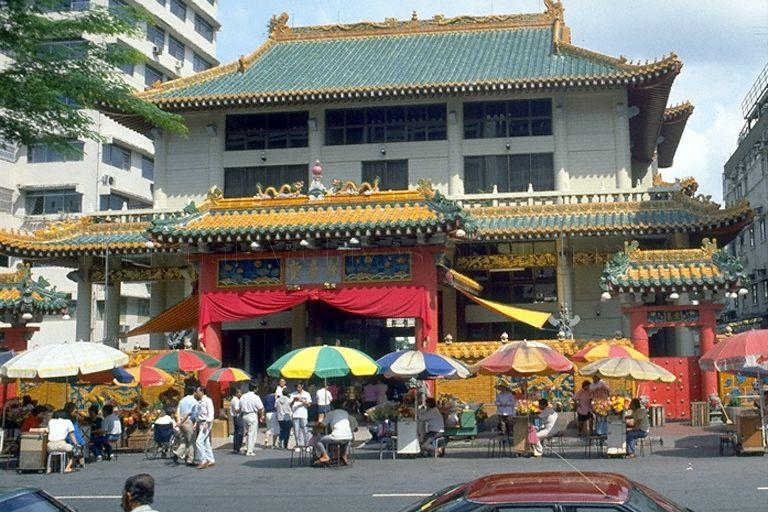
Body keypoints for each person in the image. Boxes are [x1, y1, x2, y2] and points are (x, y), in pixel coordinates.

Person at [314, 400, 354, 465]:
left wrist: (317, 424)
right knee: (347, 440)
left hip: (337, 436)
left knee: (318, 440)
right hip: (349, 436)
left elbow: (322, 425)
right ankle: (344, 456)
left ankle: (325, 456)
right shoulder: (345, 412)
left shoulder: (330, 413)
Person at [174, 386, 198, 464]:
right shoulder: (194, 401)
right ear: (194, 392)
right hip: (189, 421)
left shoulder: (182, 400)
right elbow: (194, 414)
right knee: (191, 441)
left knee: (185, 440)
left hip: (181, 421)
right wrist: (195, 424)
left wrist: (179, 422)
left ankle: (178, 454)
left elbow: (177, 411)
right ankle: (190, 460)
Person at [193, 386, 215, 469]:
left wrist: (208, 422)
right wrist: (196, 423)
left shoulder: (207, 400)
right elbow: (198, 414)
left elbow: (211, 412)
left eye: (198, 391)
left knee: (198, 441)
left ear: (202, 392)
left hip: (206, 423)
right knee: (206, 442)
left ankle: (203, 460)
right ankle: (211, 459)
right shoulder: (199, 402)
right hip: (201, 422)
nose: (196, 393)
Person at [240, 383, 264, 455]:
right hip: (252, 414)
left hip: (244, 415)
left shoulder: (243, 396)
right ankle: (250, 450)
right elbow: (260, 407)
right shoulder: (255, 397)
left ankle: (247, 447)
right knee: (252, 433)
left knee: (247, 432)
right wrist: (262, 416)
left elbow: (240, 406)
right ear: (255, 389)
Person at [290, 381, 312, 449]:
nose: (298, 388)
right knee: (296, 431)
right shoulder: (293, 394)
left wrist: (302, 400)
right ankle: (298, 445)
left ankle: (307, 445)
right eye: (297, 387)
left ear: (302, 386)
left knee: (305, 430)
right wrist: (294, 400)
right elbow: (290, 404)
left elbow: (309, 405)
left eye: (299, 387)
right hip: (295, 415)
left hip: (303, 415)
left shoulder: (307, 394)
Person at [229, 387, 243, 454]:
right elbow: (237, 410)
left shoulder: (236, 400)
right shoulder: (235, 400)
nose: (241, 394)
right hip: (237, 417)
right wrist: (242, 407)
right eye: (240, 393)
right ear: (236, 393)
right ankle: (237, 447)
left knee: (237, 432)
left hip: (237, 417)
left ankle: (236, 447)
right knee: (239, 433)